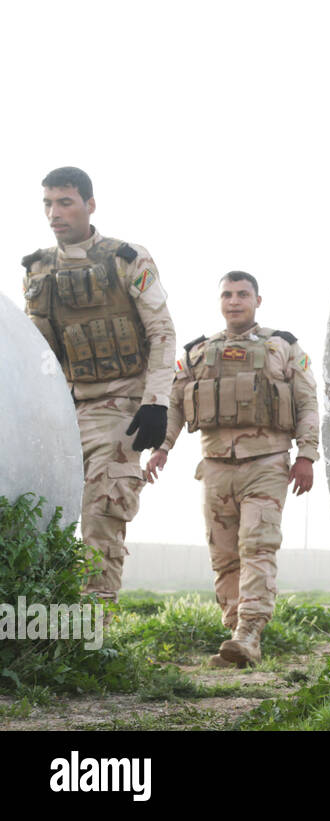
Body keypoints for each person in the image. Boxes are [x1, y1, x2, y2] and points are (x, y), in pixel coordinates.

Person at [145, 271, 319, 667]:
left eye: (243, 294)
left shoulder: (284, 347)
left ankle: (250, 632)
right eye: (227, 294)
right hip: (215, 467)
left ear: (258, 301)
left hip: (267, 463)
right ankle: (235, 633)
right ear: (219, 301)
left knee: (257, 547)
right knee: (223, 555)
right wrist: (162, 448)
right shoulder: (197, 352)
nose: (234, 301)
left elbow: (308, 402)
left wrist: (307, 455)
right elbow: (173, 404)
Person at [22, 167, 176, 603]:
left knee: (102, 512)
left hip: (121, 405)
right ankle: (43, 623)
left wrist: (155, 403)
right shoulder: (37, 270)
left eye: (65, 202)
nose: (55, 213)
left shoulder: (127, 259)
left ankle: (93, 632)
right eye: (48, 204)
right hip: (67, 410)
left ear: (90, 204)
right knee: (42, 515)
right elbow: (40, 355)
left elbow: (162, 332)